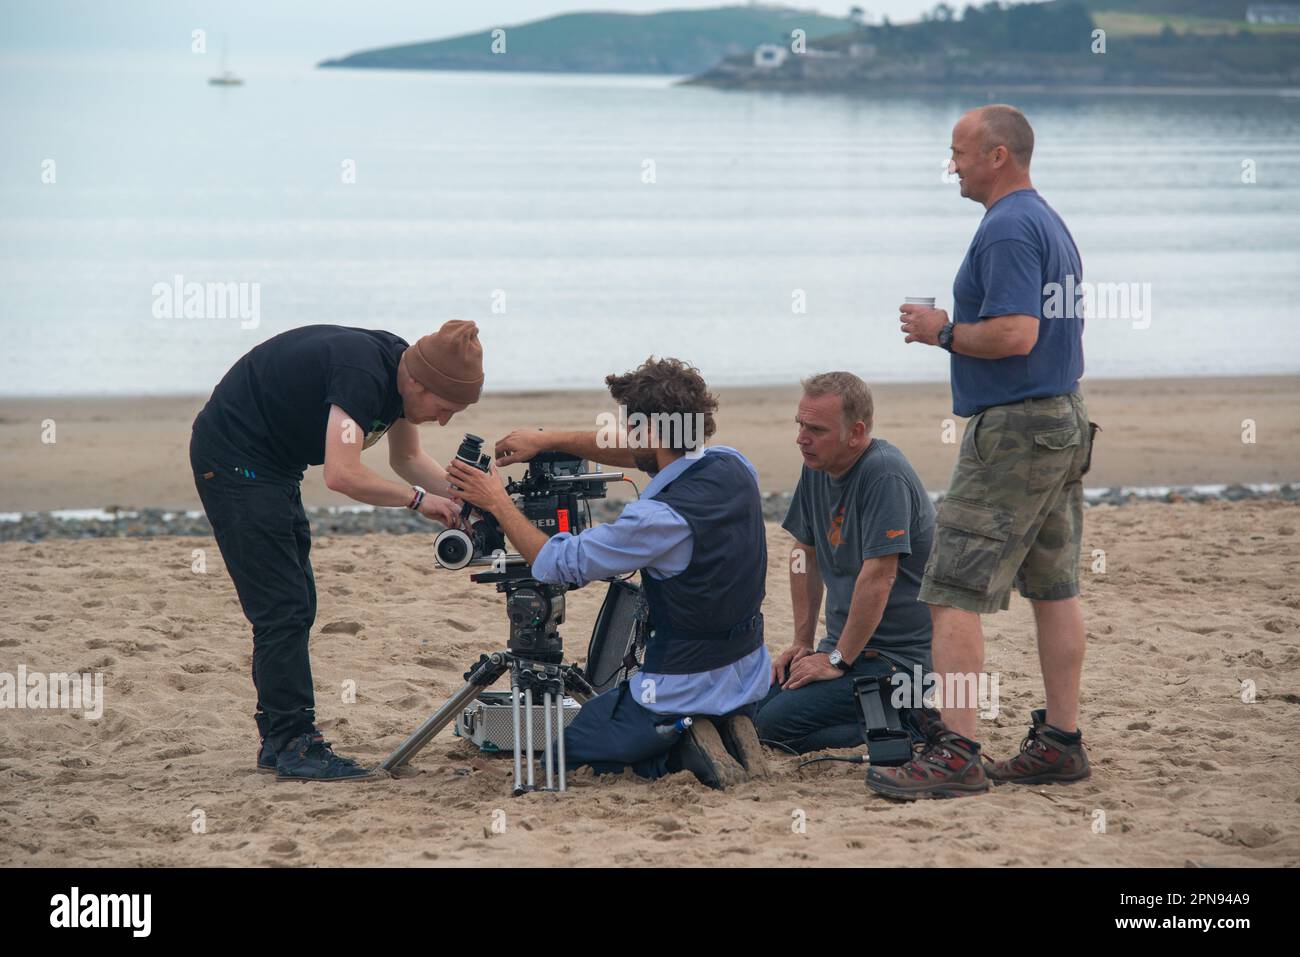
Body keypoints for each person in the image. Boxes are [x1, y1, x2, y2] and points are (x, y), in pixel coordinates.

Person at [869, 105, 1095, 800]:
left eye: (960, 152)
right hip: (1060, 417)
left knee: (948, 588)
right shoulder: (1045, 219)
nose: (952, 165)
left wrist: (942, 331)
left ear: (999, 155)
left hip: (1017, 429)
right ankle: (1060, 740)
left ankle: (958, 749)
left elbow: (1015, 334)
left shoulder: (1005, 228)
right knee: (1053, 585)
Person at [447, 357, 771, 790]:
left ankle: (686, 749)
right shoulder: (736, 466)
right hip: (748, 670)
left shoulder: (657, 518)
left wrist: (496, 503)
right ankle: (728, 727)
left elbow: (560, 562)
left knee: (571, 748)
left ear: (650, 433)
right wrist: (548, 440)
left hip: (682, 683)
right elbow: (649, 452)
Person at [189, 321, 482, 782]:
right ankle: (291, 742)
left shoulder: (405, 370)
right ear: (417, 382)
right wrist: (419, 501)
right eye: (443, 408)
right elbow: (342, 474)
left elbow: (406, 460)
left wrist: (475, 501)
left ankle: (277, 737)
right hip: (233, 458)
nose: (444, 420)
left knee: (297, 600)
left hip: (275, 465)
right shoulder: (362, 375)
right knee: (281, 607)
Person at [755, 372, 936, 754]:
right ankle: (877, 710)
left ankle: (909, 724)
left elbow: (880, 577)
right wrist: (803, 643)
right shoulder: (817, 466)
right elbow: (805, 553)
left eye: (816, 429)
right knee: (750, 708)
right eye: (800, 425)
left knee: (771, 727)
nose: (801, 438)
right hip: (844, 649)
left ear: (855, 432)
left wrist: (838, 658)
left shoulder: (883, 473)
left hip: (897, 662)